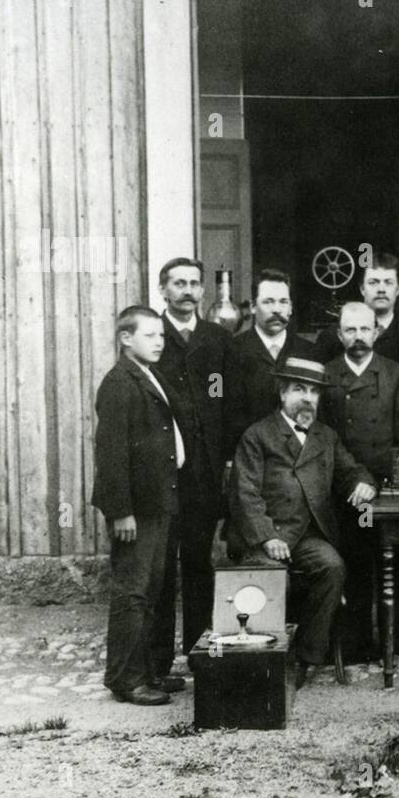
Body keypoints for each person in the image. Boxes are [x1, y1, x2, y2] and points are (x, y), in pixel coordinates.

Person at [231, 355, 377, 687]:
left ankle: (306, 658)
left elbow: (350, 470)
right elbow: (245, 493)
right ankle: (262, 664)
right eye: (299, 389)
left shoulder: (326, 436)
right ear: (282, 394)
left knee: (333, 567)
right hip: (267, 536)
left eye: (314, 391)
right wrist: (267, 536)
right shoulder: (258, 435)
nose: (308, 398)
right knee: (268, 580)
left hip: (307, 536)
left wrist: (363, 483)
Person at [92, 306, 185, 706]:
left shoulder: (148, 374)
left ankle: (147, 672)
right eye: (150, 335)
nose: (159, 341)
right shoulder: (118, 383)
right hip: (137, 509)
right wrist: (120, 511)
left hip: (159, 501)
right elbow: (110, 453)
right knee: (132, 591)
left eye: (162, 335)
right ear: (126, 338)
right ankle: (126, 680)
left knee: (151, 590)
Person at [319, 302, 399, 663]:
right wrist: (351, 481)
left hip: (390, 490)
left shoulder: (397, 375)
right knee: (356, 565)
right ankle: (357, 640)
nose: (358, 337)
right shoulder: (326, 375)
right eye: (350, 330)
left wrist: (385, 482)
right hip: (348, 493)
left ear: (377, 332)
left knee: (398, 566)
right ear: (339, 334)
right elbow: (323, 439)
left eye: (365, 329)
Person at [152, 258, 233, 679]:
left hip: (204, 471)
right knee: (163, 567)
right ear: (163, 290)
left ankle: (200, 651)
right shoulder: (153, 337)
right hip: (166, 474)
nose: (187, 290)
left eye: (194, 284)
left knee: (200, 562)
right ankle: (159, 659)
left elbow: (225, 400)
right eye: (178, 283)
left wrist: (226, 460)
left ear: (204, 291)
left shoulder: (217, 339)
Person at [224, 269, 323, 457]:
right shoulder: (231, 351)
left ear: (291, 308)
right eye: (268, 302)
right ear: (253, 306)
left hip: (299, 459)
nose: (277, 309)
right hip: (249, 459)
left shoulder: (310, 352)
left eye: (283, 302)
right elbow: (221, 407)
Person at [315, 252, 399, 367]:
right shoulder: (331, 337)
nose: (381, 289)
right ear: (362, 288)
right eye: (373, 282)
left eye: (388, 282)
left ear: (397, 290)